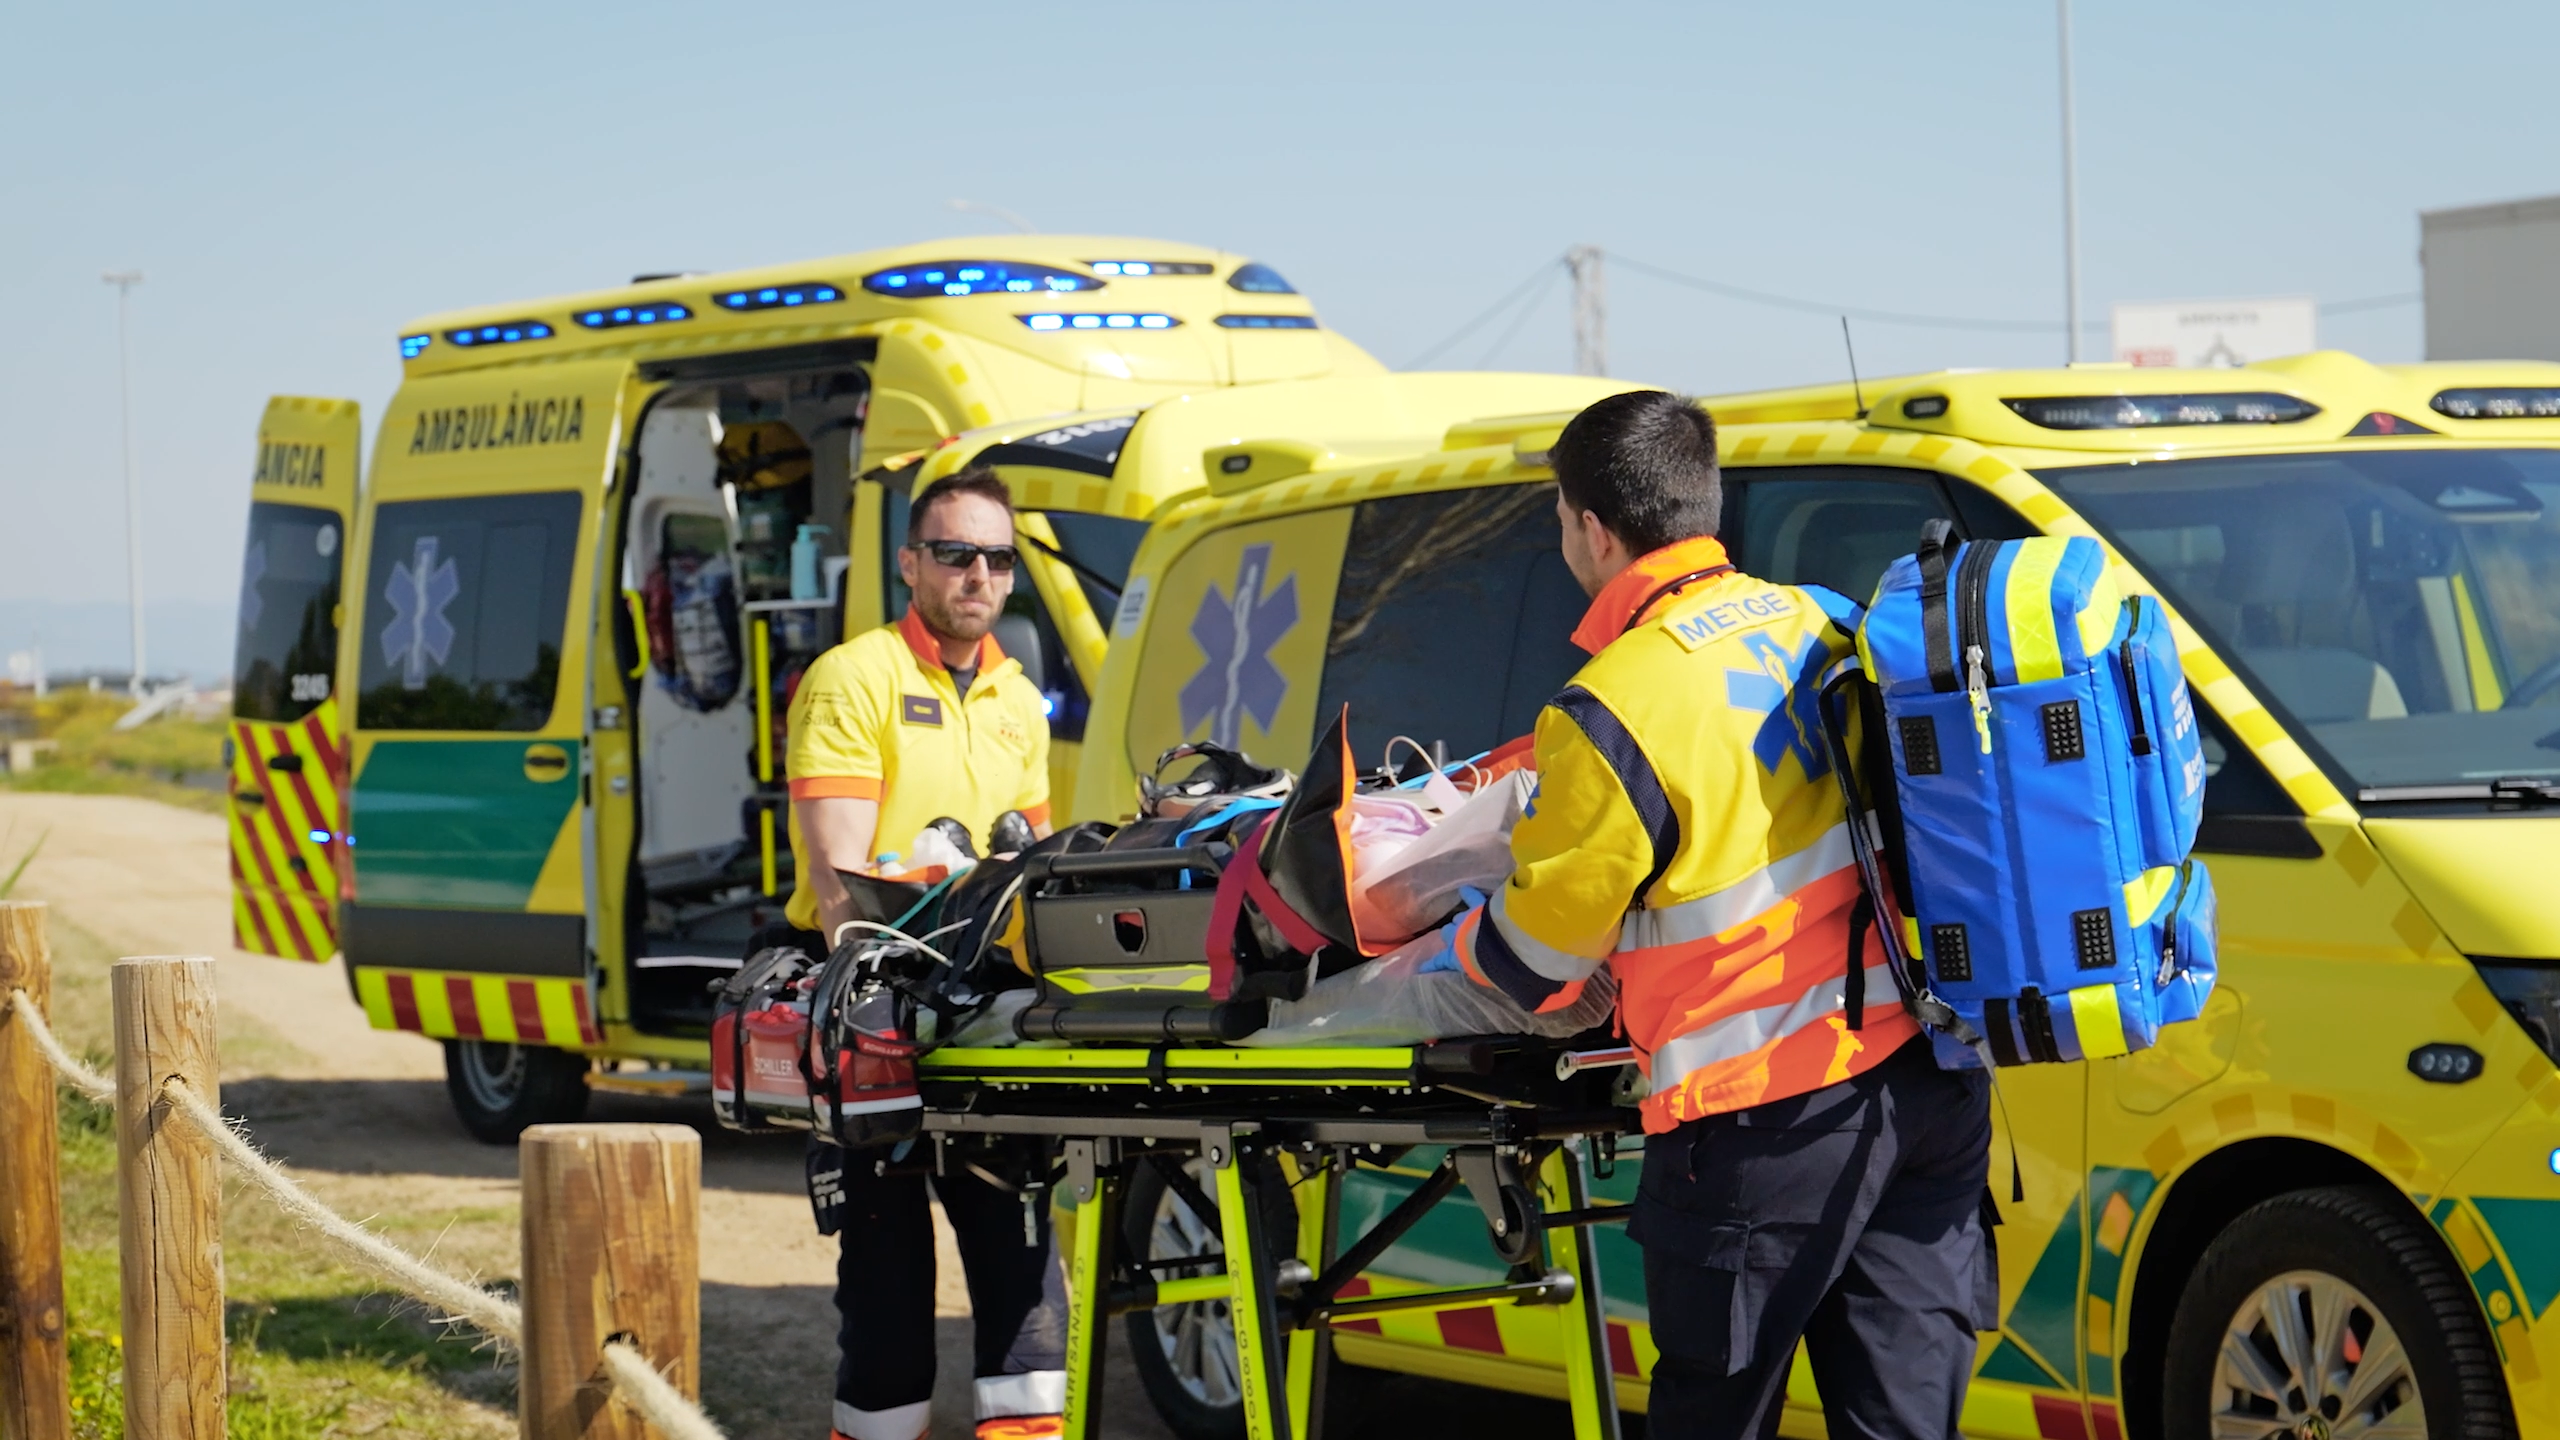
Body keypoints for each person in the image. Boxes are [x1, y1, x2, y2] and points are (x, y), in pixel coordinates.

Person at [1450, 391, 1994, 1440]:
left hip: (1763, 1120)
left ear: (1591, 530)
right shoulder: (1829, 622)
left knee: (1714, 1417)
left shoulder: (1611, 706)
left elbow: (1537, 959)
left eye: (1561, 523)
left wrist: (1456, 928)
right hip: (1931, 1085)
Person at [782, 465, 1064, 1440]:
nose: (978, 574)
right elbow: (837, 890)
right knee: (888, 1301)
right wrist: (887, 1021)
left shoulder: (1020, 699)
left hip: (990, 1020)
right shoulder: (854, 678)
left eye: (997, 556)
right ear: (911, 564)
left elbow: (1029, 872)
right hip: (878, 1017)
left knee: (1026, 1296)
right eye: (955, 553)